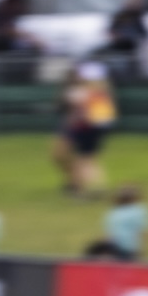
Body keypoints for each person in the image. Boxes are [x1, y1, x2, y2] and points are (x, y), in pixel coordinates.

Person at [55, 61, 116, 197]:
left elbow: (78, 109)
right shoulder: (101, 92)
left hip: (86, 128)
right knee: (87, 158)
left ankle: (90, 189)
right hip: (93, 128)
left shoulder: (87, 92)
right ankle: (90, 187)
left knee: (85, 159)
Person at [89, 184, 148, 262]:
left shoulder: (135, 210)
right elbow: (144, 231)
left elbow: (143, 231)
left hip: (124, 247)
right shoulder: (137, 210)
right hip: (119, 246)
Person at [105, 0, 148, 80]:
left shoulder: (138, 17)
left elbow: (144, 33)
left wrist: (135, 37)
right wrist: (117, 36)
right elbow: (111, 30)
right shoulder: (120, 16)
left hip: (132, 49)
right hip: (118, 48)